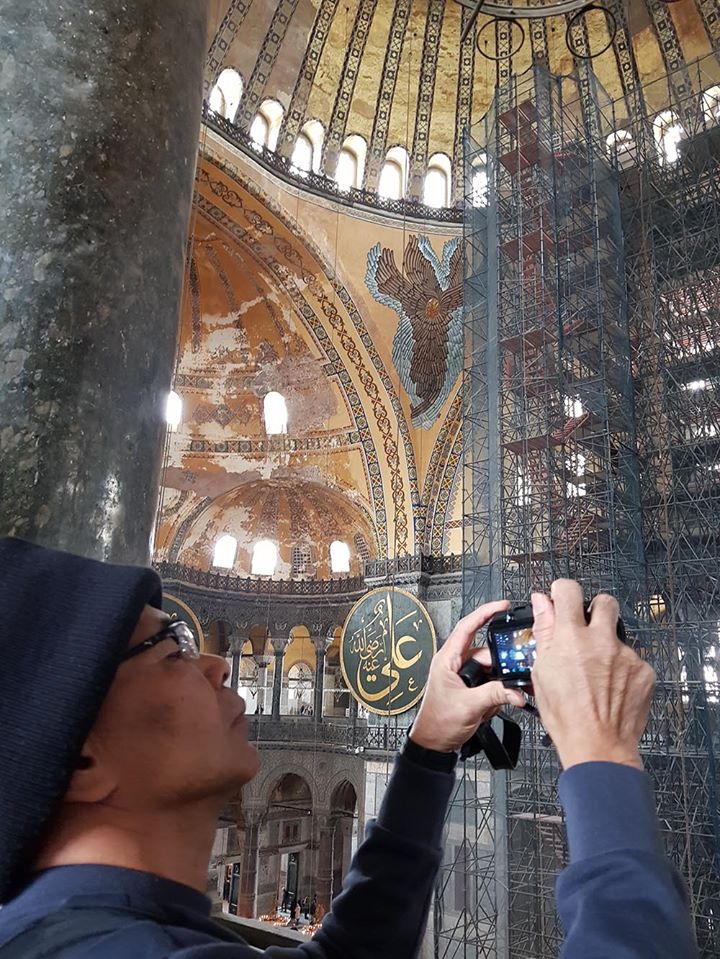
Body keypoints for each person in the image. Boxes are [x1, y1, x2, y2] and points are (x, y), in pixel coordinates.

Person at [0, 538, 698, 958]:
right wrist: (602, 757)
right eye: (170, 646)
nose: (215, 663)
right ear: (81, 756)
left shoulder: (90, 930)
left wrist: (428, 746)